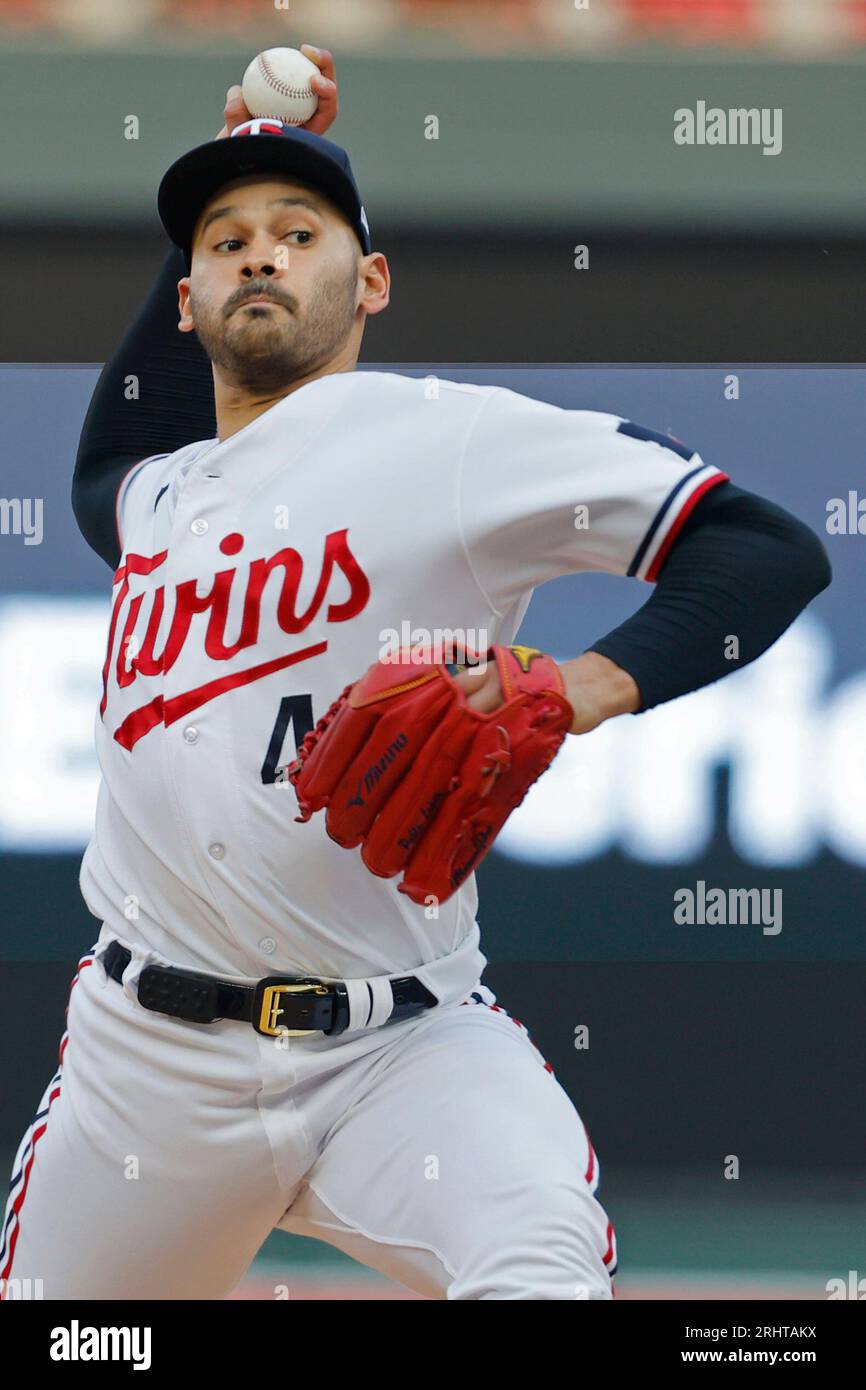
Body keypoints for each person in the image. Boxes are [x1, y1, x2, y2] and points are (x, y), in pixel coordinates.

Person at [1, 52, 830, 1301]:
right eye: (224, 243)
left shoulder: (450, 440)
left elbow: (767, 550)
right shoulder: (158, 494)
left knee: (538, 1271)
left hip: (399, 1045)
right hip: (145, 1068)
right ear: (184, 301)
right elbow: (105, 456)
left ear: (371, 279)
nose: (258, 257)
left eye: (296, 232)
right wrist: (228, 149)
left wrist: (585, 685)